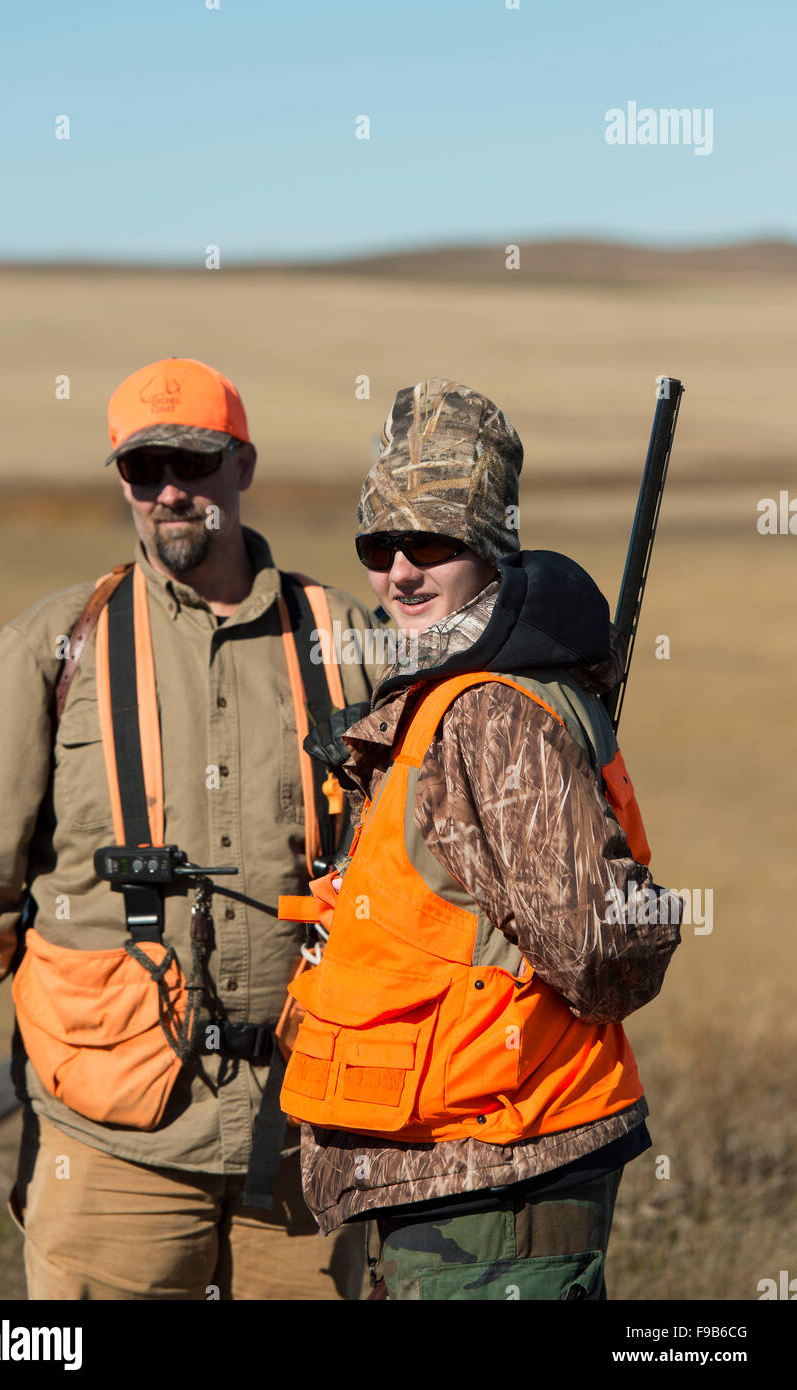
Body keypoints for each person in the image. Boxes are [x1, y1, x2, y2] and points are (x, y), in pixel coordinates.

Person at [0, 356, 385, 1300]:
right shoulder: (55, 645)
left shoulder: (348, 640)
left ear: (244, 467)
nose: (171, 490)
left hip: (306, 1128)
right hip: (108, 1138)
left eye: (195, 461)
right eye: (144, 471)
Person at [279, 377, 683, 1301]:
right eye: (379, 548)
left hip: (503, 1177)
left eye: (432, 544)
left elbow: (600, 946)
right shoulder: (445, 693)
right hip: (465, 1171)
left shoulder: (489, 712)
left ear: (491, 553)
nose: (399, 574)